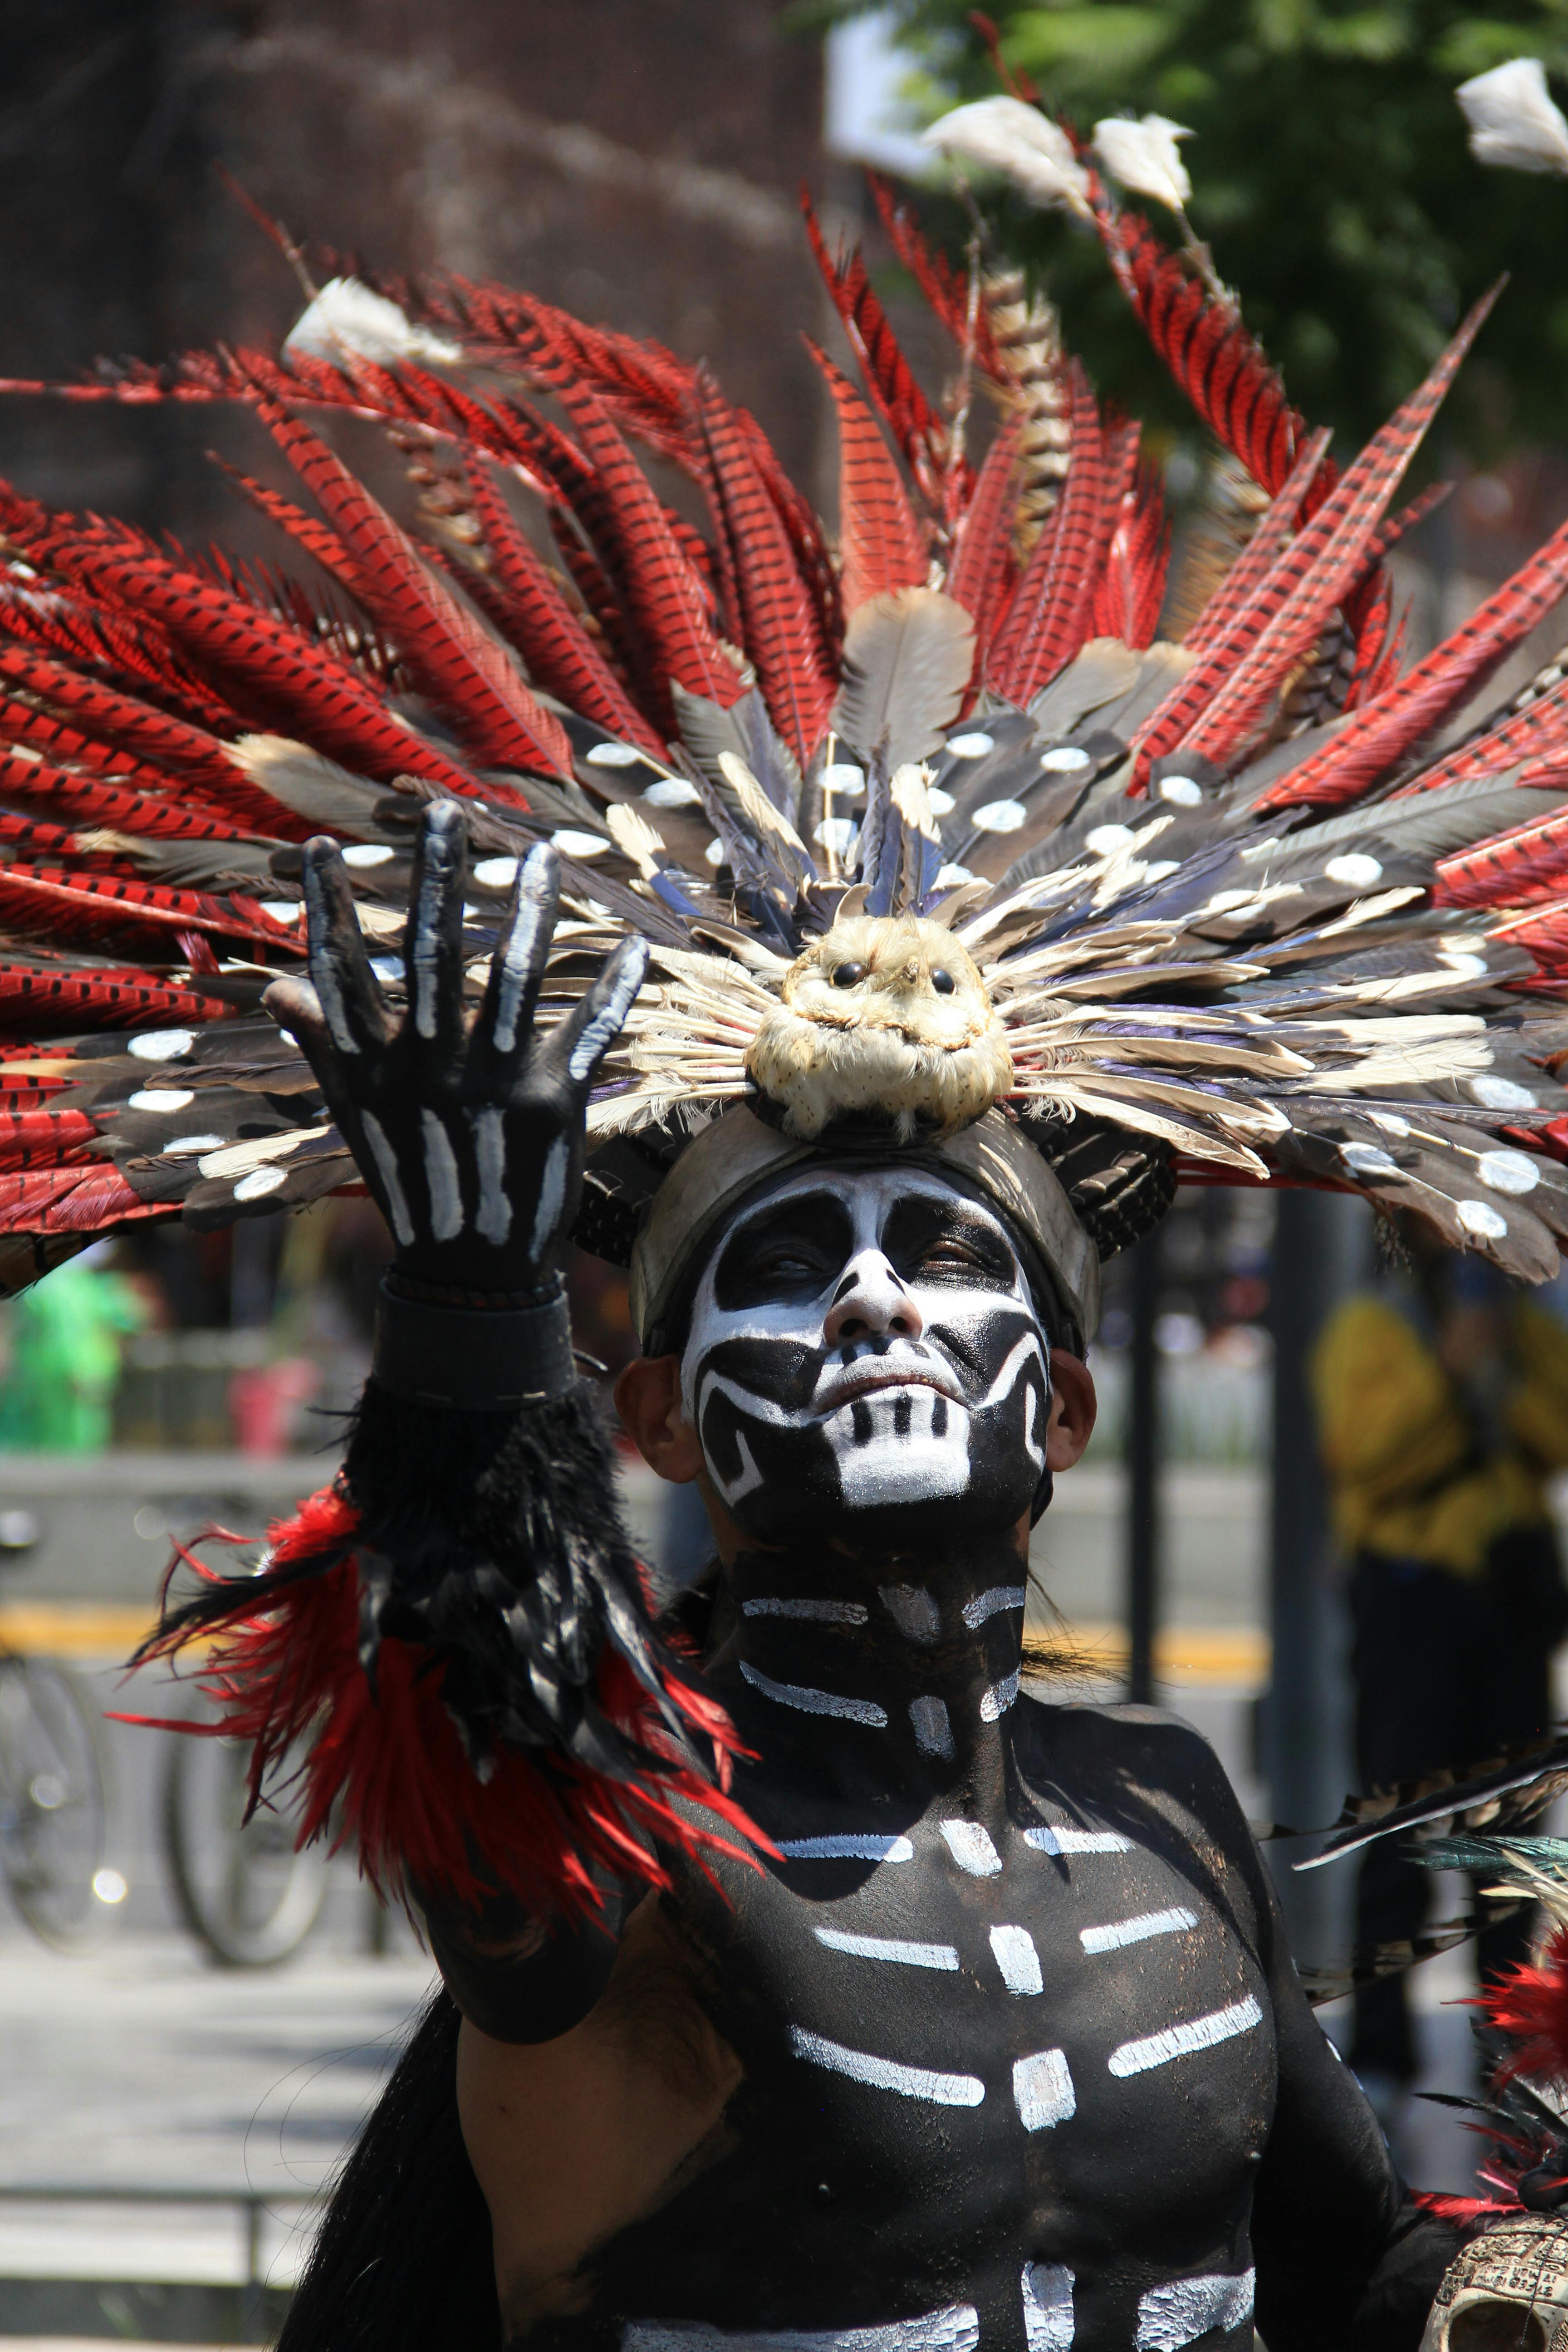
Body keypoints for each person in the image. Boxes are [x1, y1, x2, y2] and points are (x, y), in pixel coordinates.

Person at [1313, 1238, 1568, 2116]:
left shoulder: (1521, 1332)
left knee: (1511, 1843)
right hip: (1412, 1609)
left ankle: (1509, 2054)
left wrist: (1500, 1367)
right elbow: (1364, 1457)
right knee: (1399, 1832)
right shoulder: (1370, 1330)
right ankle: (1381, 2053)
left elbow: (1558, 1433)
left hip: (1506, 1605)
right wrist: (1447, 1372)